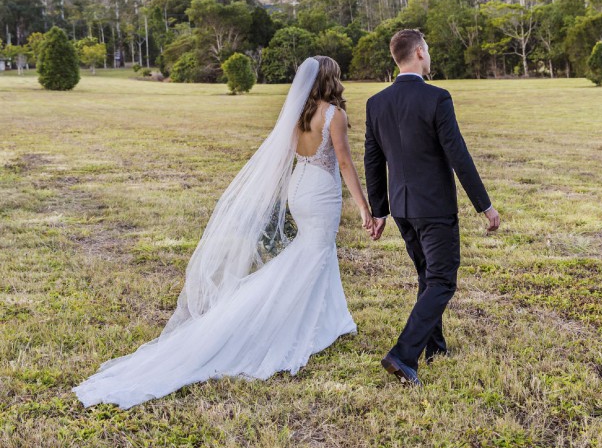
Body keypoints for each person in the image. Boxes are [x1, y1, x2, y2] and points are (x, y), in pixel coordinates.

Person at [73, 56, 373, 409]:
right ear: (330, 80)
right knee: (315, 253)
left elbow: (286, 157)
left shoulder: (297, 114)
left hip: (299, 186)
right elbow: (343, 162)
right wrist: (363, 207)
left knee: (313, 252)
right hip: (321, 189)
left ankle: (332, 317)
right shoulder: (333, 115)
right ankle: (302, 321)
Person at [364, 28, 500, 387]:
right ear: (420, 53)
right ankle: (403, 354)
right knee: (442, 280)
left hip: (402, 208)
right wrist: (484, 205)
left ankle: (435, 347)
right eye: (430, 49)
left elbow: (372, 161)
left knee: (427, 277)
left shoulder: (376, 103)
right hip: (435, 207)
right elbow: (458, 154)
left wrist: (380, 211)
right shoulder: (436, 98)